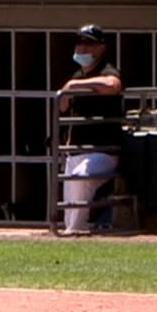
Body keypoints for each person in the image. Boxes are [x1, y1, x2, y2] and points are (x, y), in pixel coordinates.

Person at [55, 24, 124, 236]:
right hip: (75, 150)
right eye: (80, 42)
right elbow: (62, 107)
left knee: (80, 176)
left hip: (103, 151)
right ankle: (72, 231)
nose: (82, 48)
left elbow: (113, 85)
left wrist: (75, 85)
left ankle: (76, 230)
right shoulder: (76, 75)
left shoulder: (106, 69)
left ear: (101, 47)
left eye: (89, 43)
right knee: (70, 199)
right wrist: (69, 89)